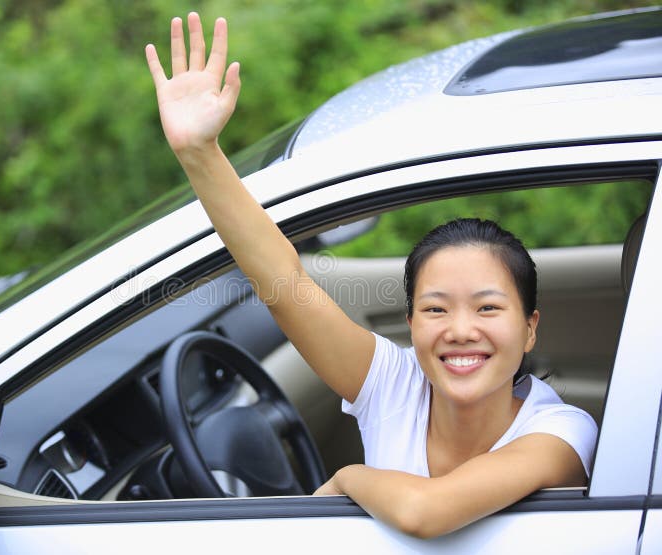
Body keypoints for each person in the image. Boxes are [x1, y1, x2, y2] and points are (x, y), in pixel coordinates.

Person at [145, 13, 597, 539]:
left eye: (488, 307)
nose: (460, 329)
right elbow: (283, 281)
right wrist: (199, 154)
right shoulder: (393, 385)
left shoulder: (562, 432)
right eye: (435, 308)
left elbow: (426, 513)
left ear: (529, 328)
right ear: (411, 323)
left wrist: (348, 478)